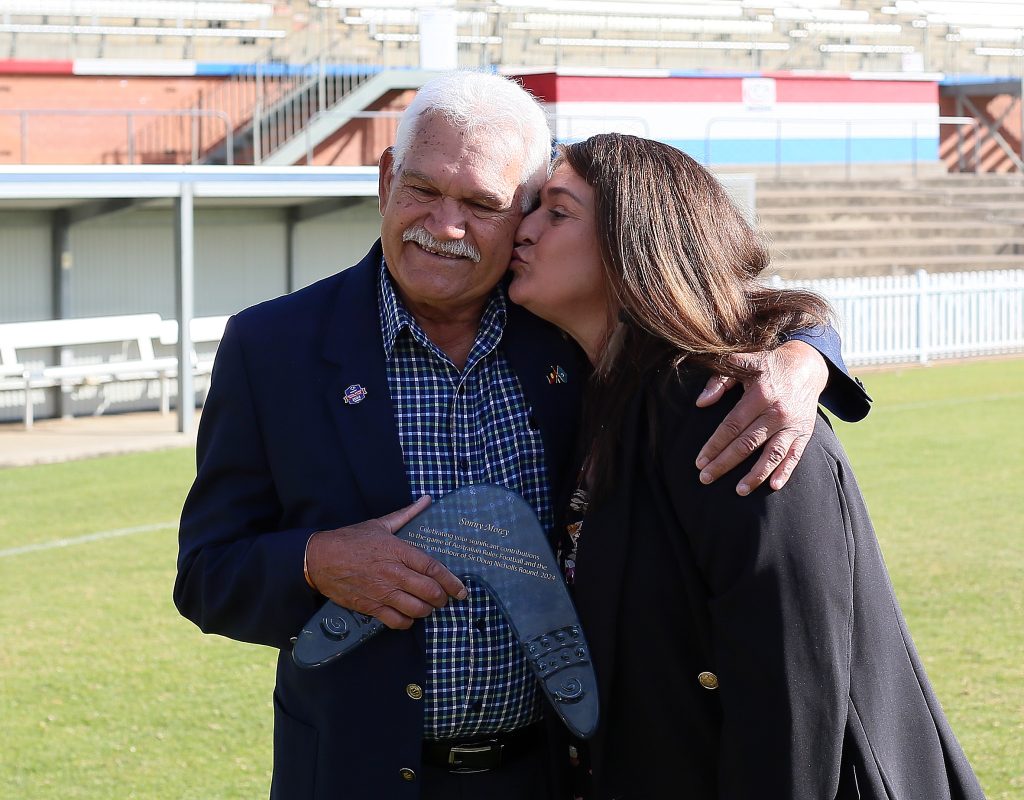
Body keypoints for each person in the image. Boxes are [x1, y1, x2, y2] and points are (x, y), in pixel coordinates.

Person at [173, 73, 868, 800]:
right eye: (422, 189)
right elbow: (205, 575)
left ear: (527, 212)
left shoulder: (563, 322)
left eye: (482, 205)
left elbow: (703, 293)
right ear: (385, 180)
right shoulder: (272, 347)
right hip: (354, 775)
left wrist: (805, 357)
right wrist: (315, 562)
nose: (445, 226)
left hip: (553, 776)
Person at [507, 132, 984, 800]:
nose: (523, 230)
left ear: (636, 242)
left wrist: (805, 352)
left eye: (557, 212)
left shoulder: (734, 407)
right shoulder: (602, 396)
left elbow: (792, 691)